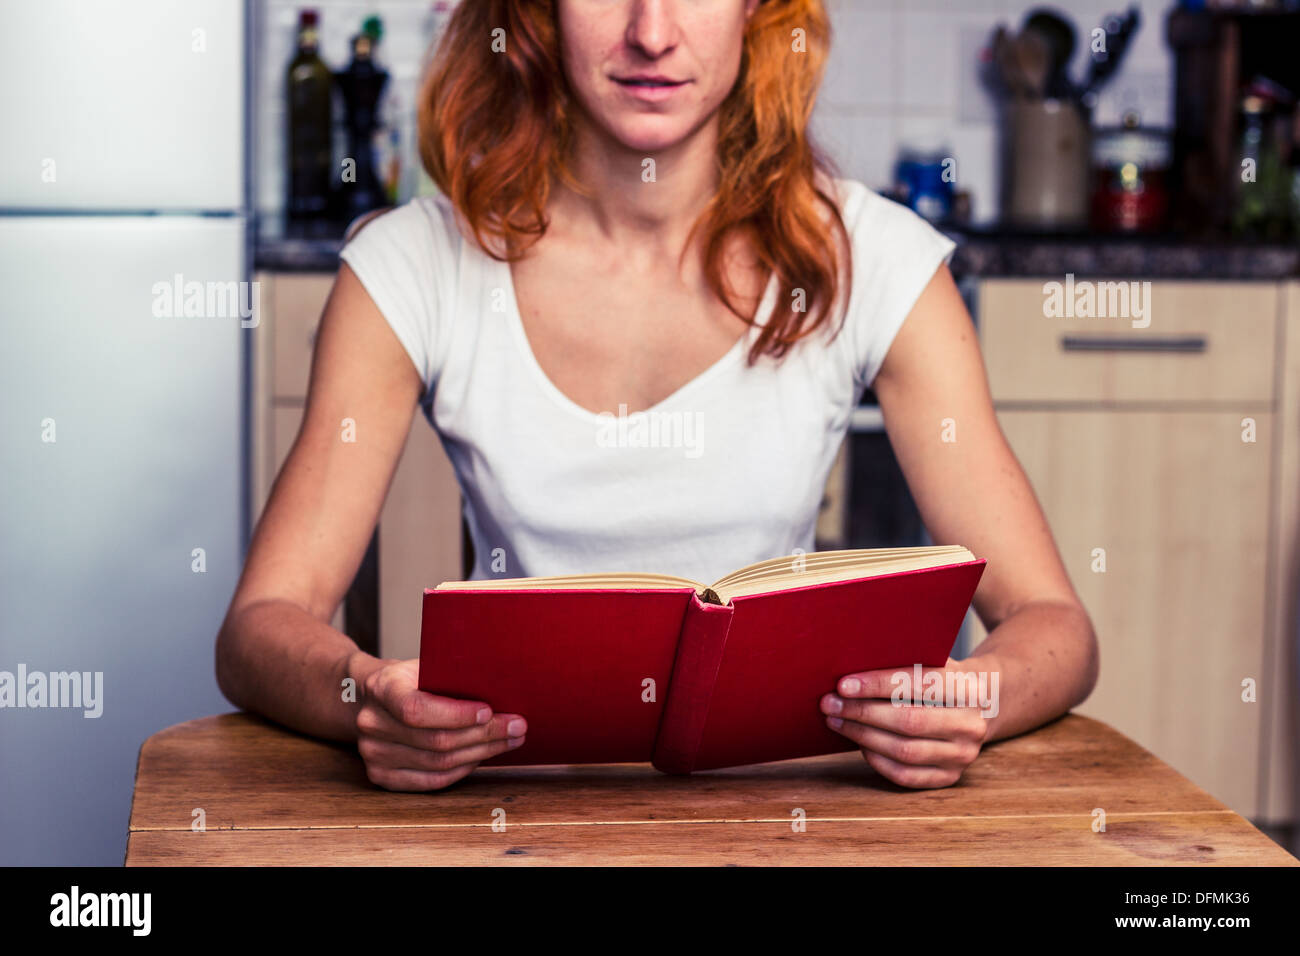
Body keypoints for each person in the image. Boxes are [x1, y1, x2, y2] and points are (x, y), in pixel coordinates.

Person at [217, 0, 1097, 792]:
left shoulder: (873, 260)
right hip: (522, 817)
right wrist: (363, 696)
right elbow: (262, 624)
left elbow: (1051, 622)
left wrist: (968, 700)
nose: (651, 30)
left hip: (788, 813)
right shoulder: (411, 266)